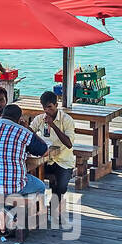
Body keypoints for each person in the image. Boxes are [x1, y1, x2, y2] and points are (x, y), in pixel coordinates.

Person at [0, 103, 48, 205]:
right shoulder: (23, 132)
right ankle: (31, 215)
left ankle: (5, 212)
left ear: (2, 115)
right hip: (14, 186)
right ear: (19, 119)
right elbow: (45, 151)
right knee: (40, 187)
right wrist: (27, 128)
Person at [29, 90, 77, 225]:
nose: (47, 110)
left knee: (60, 187)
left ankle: (55, 207)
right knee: (31, 172)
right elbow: (30, 133)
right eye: (44, 108)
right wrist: (26, 128)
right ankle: (37, 209)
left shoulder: (67, 120)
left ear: (56, 105)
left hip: (63, 160)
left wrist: (53, 125)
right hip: (45, 159)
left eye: (49, 107)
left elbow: (68, 144)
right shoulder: (40, 118)